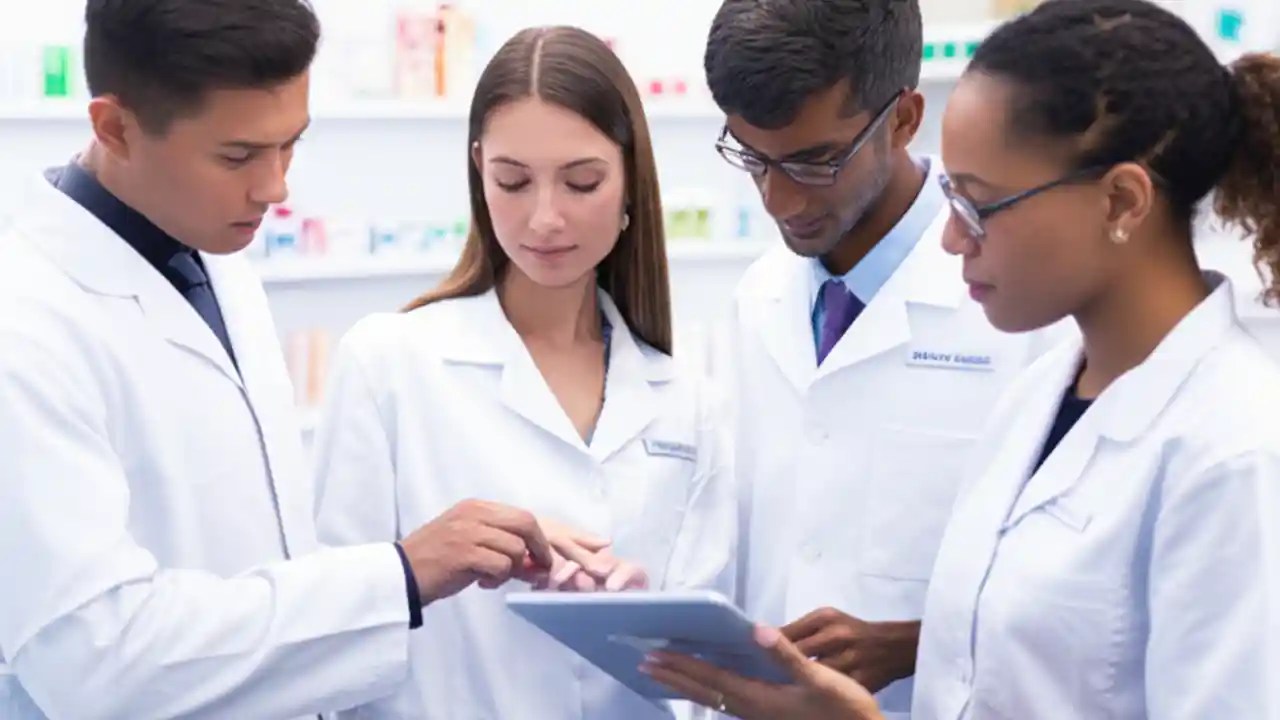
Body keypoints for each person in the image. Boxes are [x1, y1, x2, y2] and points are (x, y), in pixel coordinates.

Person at [645, 1, 1280, 718]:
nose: (949, 240)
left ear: (1121, 202)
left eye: (979, 204)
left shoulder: (1237, 451)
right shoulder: (1039, 401)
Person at [0, 2, 592, 717]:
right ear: (115, 128)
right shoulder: (27, 326)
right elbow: (96, 659)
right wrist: (400, 574)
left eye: (291, 145)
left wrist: (449, 549)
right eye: (238, 156)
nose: (275, 187)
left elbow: (263, 553)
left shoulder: (214, 259)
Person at [311, 25, 736, 720]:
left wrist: (643, 618)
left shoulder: (687, 402)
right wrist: (430, 562)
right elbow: (331, 629)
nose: (545, 218)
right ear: (479, 170)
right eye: (512, 181)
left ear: (630, 178)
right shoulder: (389, 363)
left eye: (582, 182)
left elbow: (707, 681)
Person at [700, 1, 1064, 716]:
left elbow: (1082, 592)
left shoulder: (1023, 309)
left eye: (814, 161)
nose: (778, 199)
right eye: (753, 158)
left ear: (902, 120)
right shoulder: (756, 298)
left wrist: (920, 644)